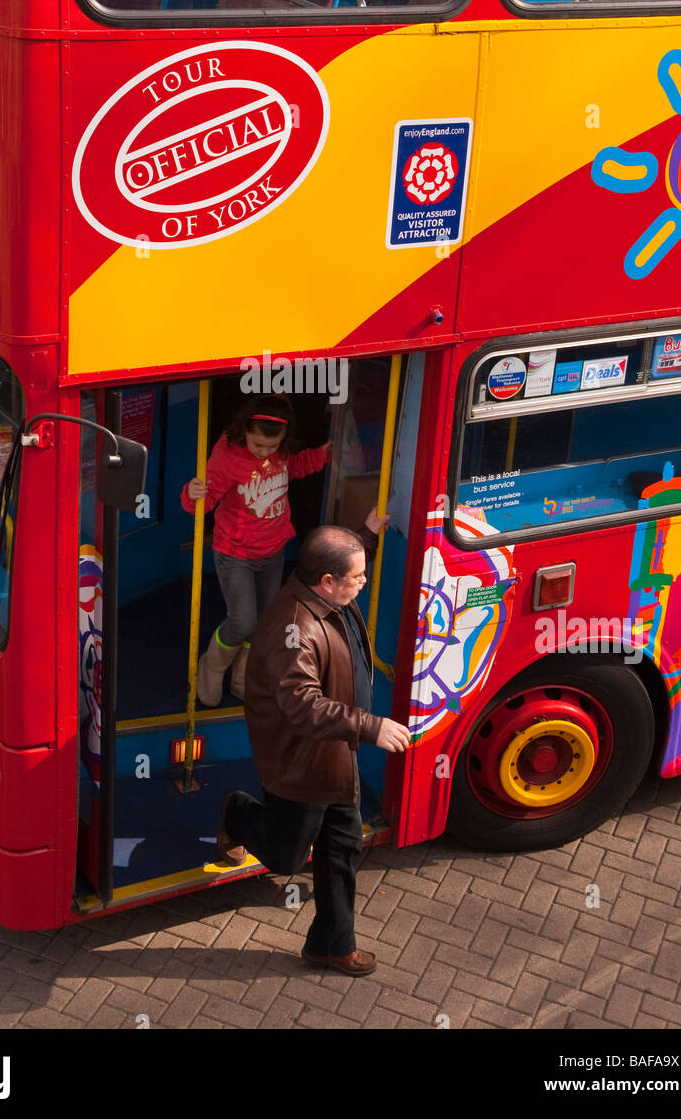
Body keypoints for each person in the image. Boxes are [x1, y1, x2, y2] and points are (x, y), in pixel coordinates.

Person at [217, 517, 411, 977]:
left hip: (337, 757)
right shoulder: (295, 629)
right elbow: (302, 706)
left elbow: (345, 558)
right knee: (286, 858)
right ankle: (237, 814)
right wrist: (370, 726)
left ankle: (330, 944)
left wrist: (364, 534)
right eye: (357, 577)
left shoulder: (326, 594)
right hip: (302, 762)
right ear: (328, 582)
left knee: (341, 850)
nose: (363, 583)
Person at [181, 395, 330, 706]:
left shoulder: (282, 451)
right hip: (235, 554)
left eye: (271, 447)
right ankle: (211, 666)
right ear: (243, 430)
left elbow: (295, 466)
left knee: (262, 621)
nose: (264, 453)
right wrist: (192, 493)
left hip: (273, 551)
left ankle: (242, 676)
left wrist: (322, 456)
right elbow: (203, 503)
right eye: (257, 445)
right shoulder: (226, 457)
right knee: (242, 620)